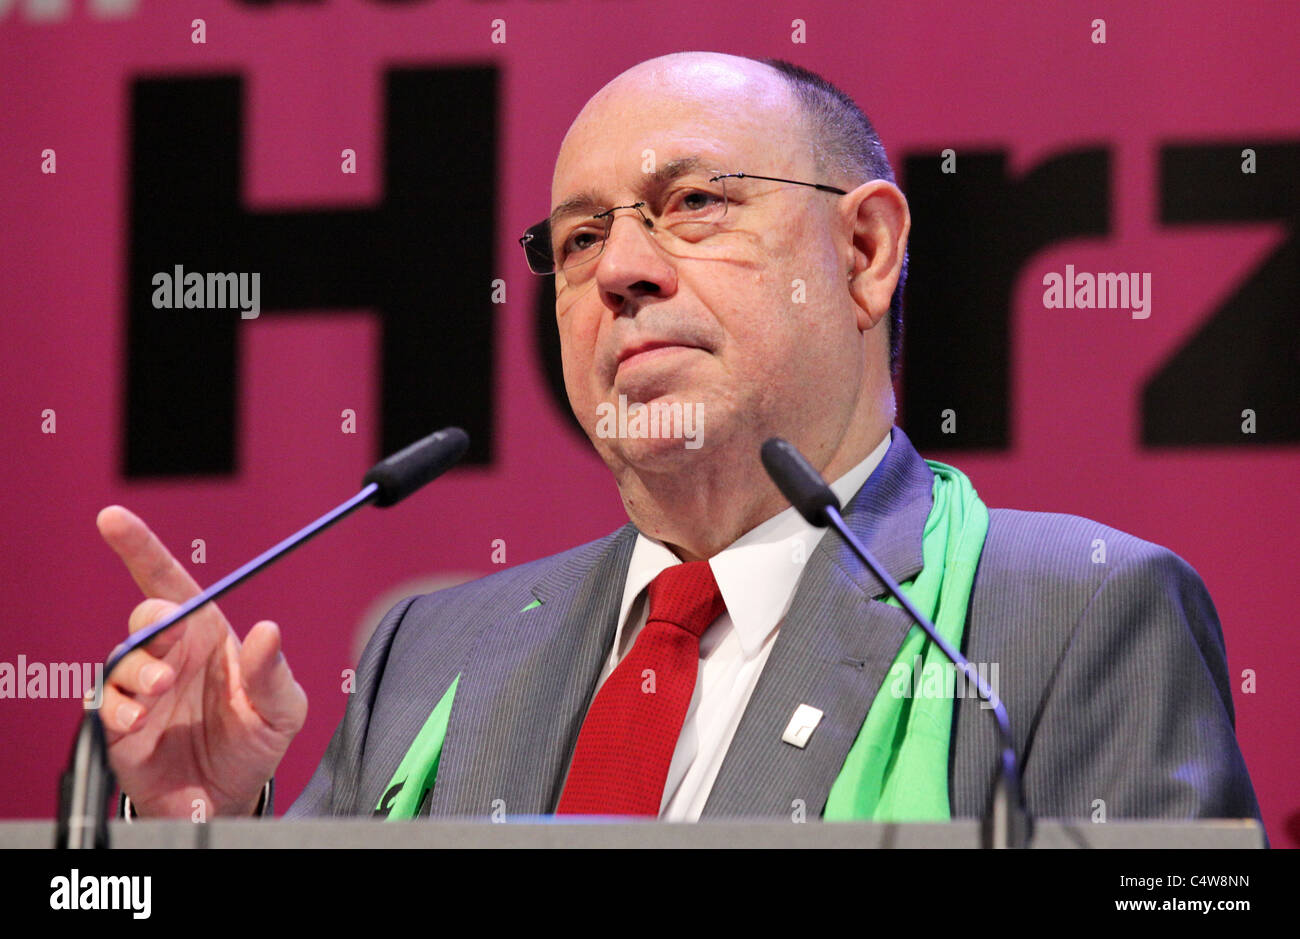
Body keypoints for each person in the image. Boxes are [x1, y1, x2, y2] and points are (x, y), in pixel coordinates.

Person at [96, 51, 1260, 826]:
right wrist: (207, 836)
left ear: (863, 255)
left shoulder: (1072, 612)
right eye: (579, 236)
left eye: (694, 204)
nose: (622, 270)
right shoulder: (433, 649)